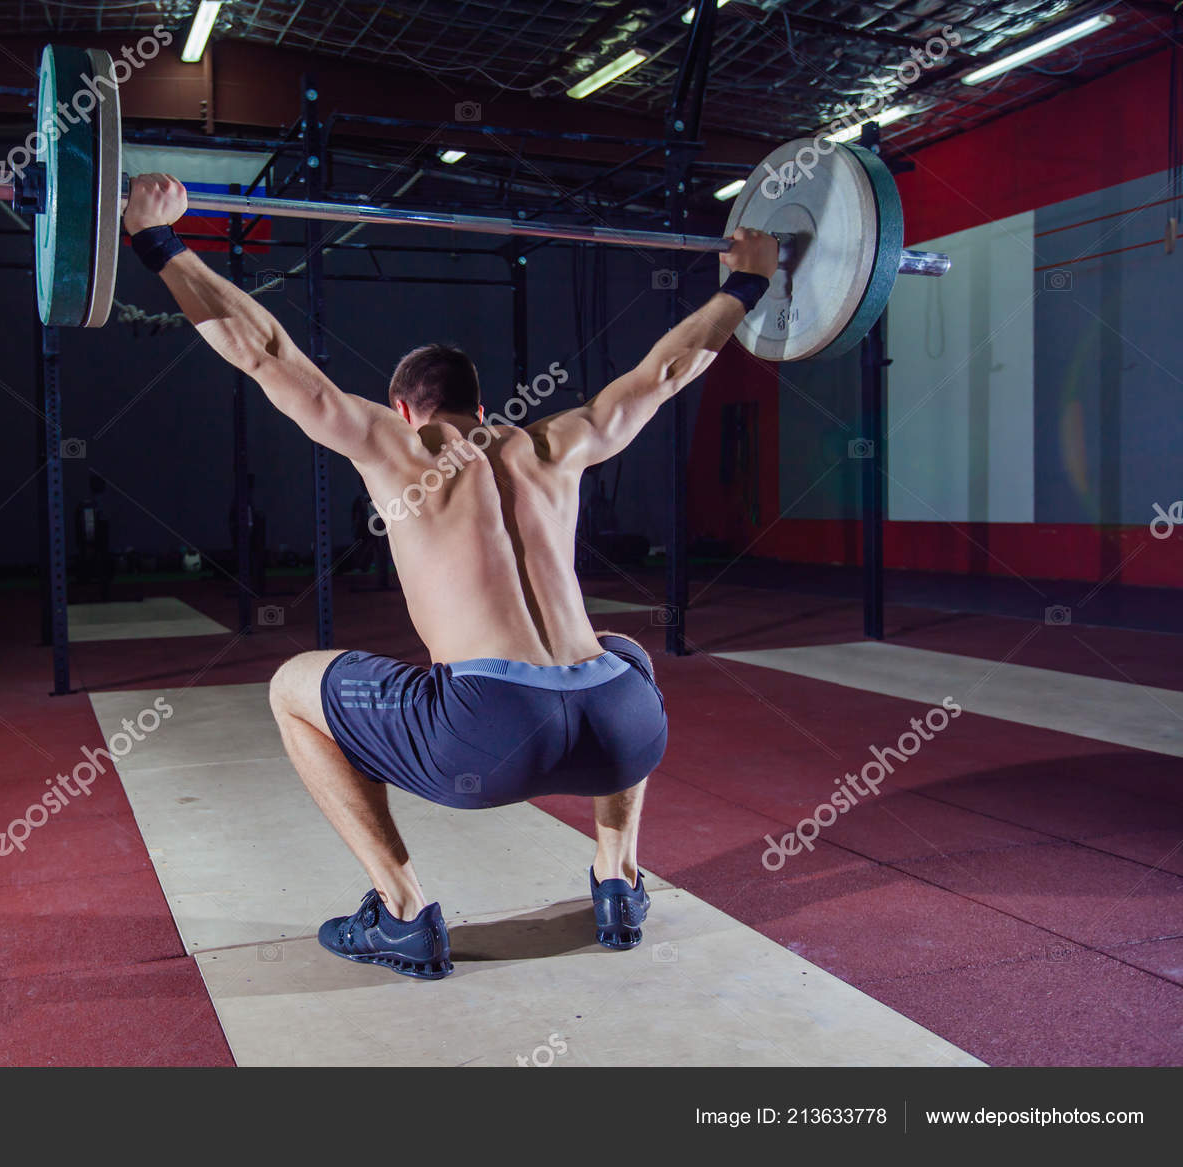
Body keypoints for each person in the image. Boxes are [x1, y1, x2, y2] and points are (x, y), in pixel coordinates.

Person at [124, 174, 779, 979]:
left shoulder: (396, 447)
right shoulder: (558, 443)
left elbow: (265, 352)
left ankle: (402, 913)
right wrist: (748, 282)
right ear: (483, 406)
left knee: (291, 687)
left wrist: (158, 240)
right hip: (621, 729)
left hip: (489, 736)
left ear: (405, 409)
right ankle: (618, 878)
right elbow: (666, 372)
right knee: (621, 650)